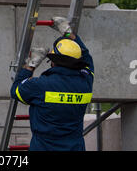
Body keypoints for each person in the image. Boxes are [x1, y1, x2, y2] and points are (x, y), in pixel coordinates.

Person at [11, 17, 94, 151]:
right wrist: (68, 33)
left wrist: (31, 65)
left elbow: (16, 90)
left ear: (54, 61)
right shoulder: (86, 81)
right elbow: (86, 57)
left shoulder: (39, 86)